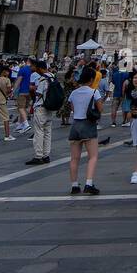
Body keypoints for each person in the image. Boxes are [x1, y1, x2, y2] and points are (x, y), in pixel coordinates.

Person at [67, 63, 104, 194]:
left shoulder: (74, 92)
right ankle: (89, 183)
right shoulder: (95, 92)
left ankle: (74, 185)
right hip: (88, 125)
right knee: (93, 156)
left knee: (74, 158)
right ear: (92, 79)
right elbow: (100, 109)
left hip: (76, 125)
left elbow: (72, 109)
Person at [26, 60, 60, 165]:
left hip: (41, 107)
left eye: (36, 69)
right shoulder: (52, 76)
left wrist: (33, 89)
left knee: (39, 132)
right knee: (47, 132)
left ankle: (38, 156)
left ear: (40, 68)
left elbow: (39, 94)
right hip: (50, 108)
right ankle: (46, 155)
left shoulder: (42, 79)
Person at [0, 61, 13, 141]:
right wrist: (9, 92)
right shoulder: (7, 80)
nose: (8, 73)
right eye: (8, 71)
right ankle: (7, 135)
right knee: (6, 118)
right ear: (4, 72)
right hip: (2, 102)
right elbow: (8, 90)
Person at [14, 57, 33, 132]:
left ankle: (26, 124)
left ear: (26, 61)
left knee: (20, 108)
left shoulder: (23, 69)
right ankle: (20, 125)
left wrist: (13, 91)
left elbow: (18, 81)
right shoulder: (32, 70)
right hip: (29, 92)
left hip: (22, 91)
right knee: (24, 107)